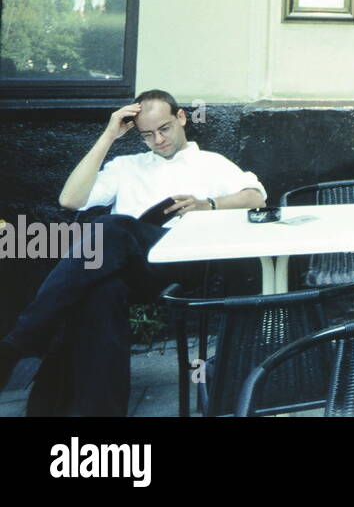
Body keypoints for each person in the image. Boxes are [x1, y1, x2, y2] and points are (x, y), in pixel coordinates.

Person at [0, 90, 265, 415]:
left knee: (112, 227)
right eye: (148, 134)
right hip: (126, 263)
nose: (158, 140)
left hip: (179, 261)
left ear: (181, 118)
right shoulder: (125, 165)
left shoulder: (209, 162)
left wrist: (207, 204)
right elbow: (70, 200)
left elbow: (256, 197)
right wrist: (109, 135)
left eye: (165, 128)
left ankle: (20, 342)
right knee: (102, 288)